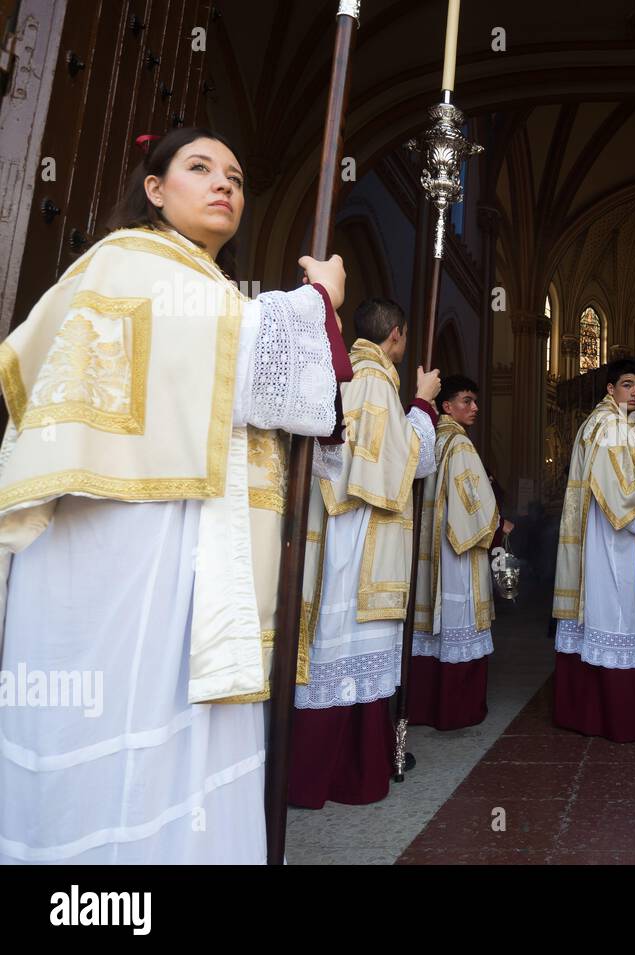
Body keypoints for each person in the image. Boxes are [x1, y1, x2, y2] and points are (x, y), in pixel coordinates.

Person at [0, 127, 351, 862]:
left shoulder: (204, 283)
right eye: (200, 168)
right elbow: (249, 359)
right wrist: (317, 299)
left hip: (191, 548)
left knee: (184, 738)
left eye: (236, 175)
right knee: (131, 731)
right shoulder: (128, 263)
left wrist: (309, 310)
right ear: (155, 189)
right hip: (127, 550)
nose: (226, 183)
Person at [288, 297, 439, 809]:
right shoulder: (375, 383)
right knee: (353, 652)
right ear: (395, 335)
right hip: (360, 543)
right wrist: (422, 404)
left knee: (334, 653)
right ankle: (356, 774)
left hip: (335, 534)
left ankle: (316, 775)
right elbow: (409, 468)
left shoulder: (342, 372)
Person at [551, 358, 635, 741]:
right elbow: (619, 494)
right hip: (615, 543)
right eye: (626, 384)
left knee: (601, 618)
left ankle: (589, 711)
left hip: (601, 536)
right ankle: (627, 716)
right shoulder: (612, 425)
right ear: (610, 388)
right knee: (622, 616)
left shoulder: (598, 422)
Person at [409, 375, 510, 731]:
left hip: (429, 548)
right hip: (458, 553)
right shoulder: (461, 446)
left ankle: (423, 707)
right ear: (447, 406)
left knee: (431, 631)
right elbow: (476, 505)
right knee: (458, 619)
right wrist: (498, 527)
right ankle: (458, 709)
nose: (475, 408)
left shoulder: (431, 437)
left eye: (475, 400)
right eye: (466, 400)